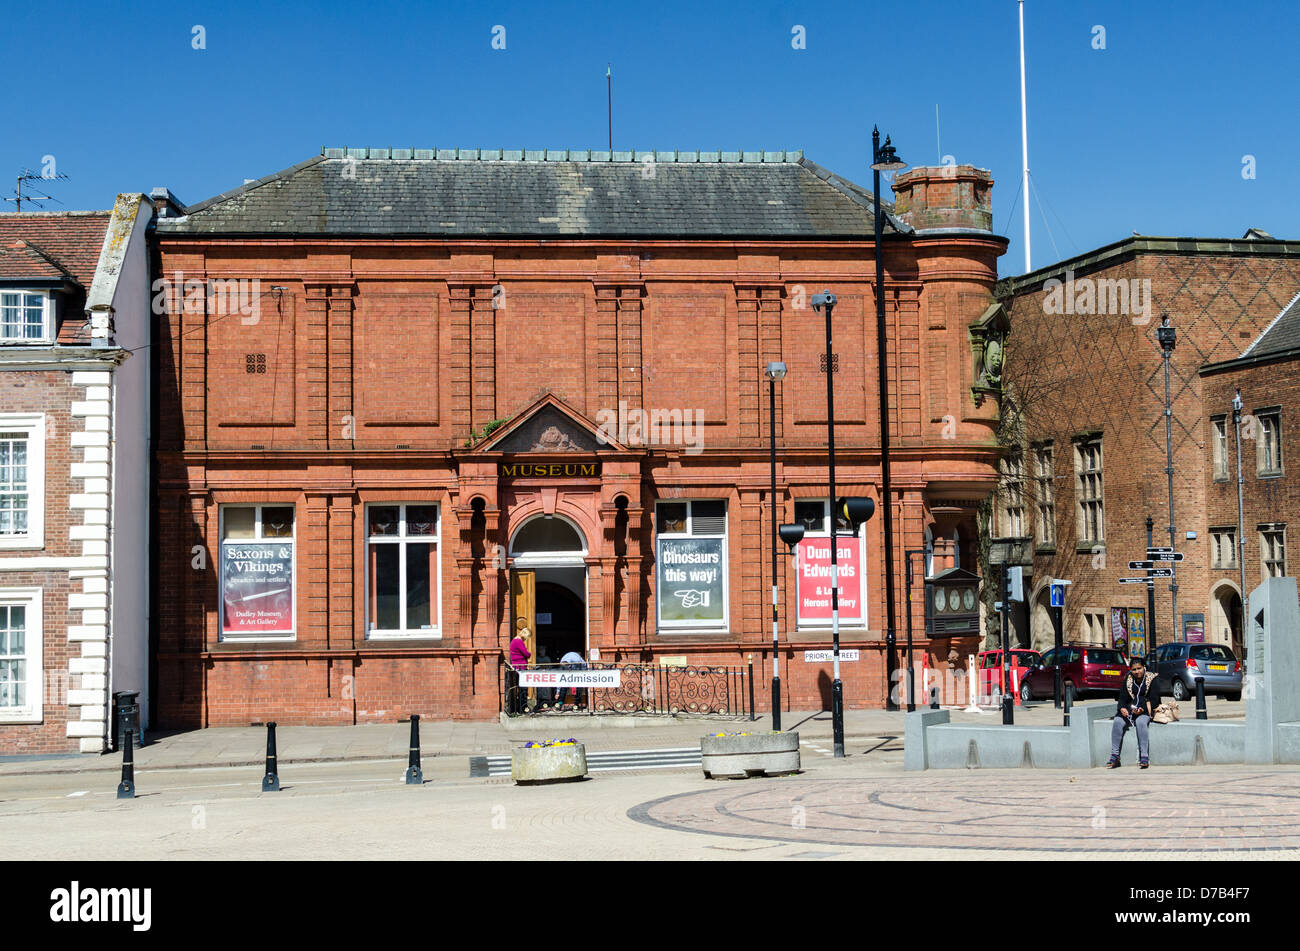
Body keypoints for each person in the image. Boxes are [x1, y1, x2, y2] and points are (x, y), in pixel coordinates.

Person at [1108, 657, 1160, 768]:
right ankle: (1115, 755)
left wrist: (1142, 709)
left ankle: (1144, 757)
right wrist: (1122, 708)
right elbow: (1122, 698)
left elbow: (1155, 700)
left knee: (1141, 723)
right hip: (1129, 710)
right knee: (1117, 721)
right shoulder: (1128, 679)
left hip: (1145, 710)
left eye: (1139, 668)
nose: (1137, 672)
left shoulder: (1152, 678)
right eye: (1134, 669)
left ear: (1144, 667)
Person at [507, 619, 531, 715]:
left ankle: (521, 707)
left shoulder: (515, 640)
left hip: (518, 667)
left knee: (521, 688)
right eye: (527, 637)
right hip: (520, 668)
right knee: (523, 689)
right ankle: (523, 708)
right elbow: (526, 654)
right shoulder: (518, 641)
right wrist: (529, 653)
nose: (526, 639)